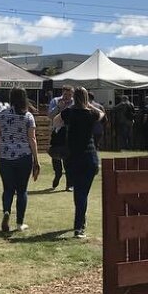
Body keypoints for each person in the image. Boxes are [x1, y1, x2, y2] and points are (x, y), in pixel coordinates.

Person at [53, 86, 105, 238]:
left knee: (79, 192)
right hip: (89, 156)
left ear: (74, 97)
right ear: (87, 98)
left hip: (73, 157)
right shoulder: (91, 113)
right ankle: (80, 224)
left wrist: (68, 109)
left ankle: (80, 224)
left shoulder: (69, 112)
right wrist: (88, 105)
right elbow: (102, 114)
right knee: (84, 192)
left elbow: (56, 122)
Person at [0, 87, 39, 233]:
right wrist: (36, 160)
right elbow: (32, 139)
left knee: (7, 189)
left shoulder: (1, 115)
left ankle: (6, 211)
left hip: (5, 155)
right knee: (22, 190)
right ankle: (20, 222)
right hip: (23, 155)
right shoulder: (27, 116)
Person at [47, 86, 74, 189]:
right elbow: (50, 115)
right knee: (55, 155)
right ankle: (57, 174)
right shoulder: (55, 101)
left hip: (69, 133)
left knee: (69, 159)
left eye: (70, 95)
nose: (67, 97)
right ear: (62, 93)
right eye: (66, 94)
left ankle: (69, 184)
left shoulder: (74, 103)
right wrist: (58, 107)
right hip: (57, 132)